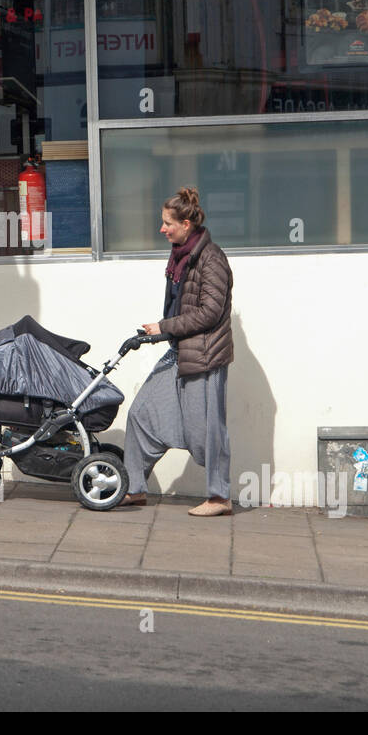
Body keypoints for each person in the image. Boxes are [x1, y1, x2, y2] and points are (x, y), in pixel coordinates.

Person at [120, 187, 234, 516]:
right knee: (141, 415)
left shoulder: (211, 258)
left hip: (204, 357)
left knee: (207, 431)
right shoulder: (180, 254)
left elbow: (210, 312)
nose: (162, 229)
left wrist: (165, 326)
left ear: (186, 224)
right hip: (179, 351)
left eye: (167, 223)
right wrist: (163, 331)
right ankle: (134, 487)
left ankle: (219, 497)